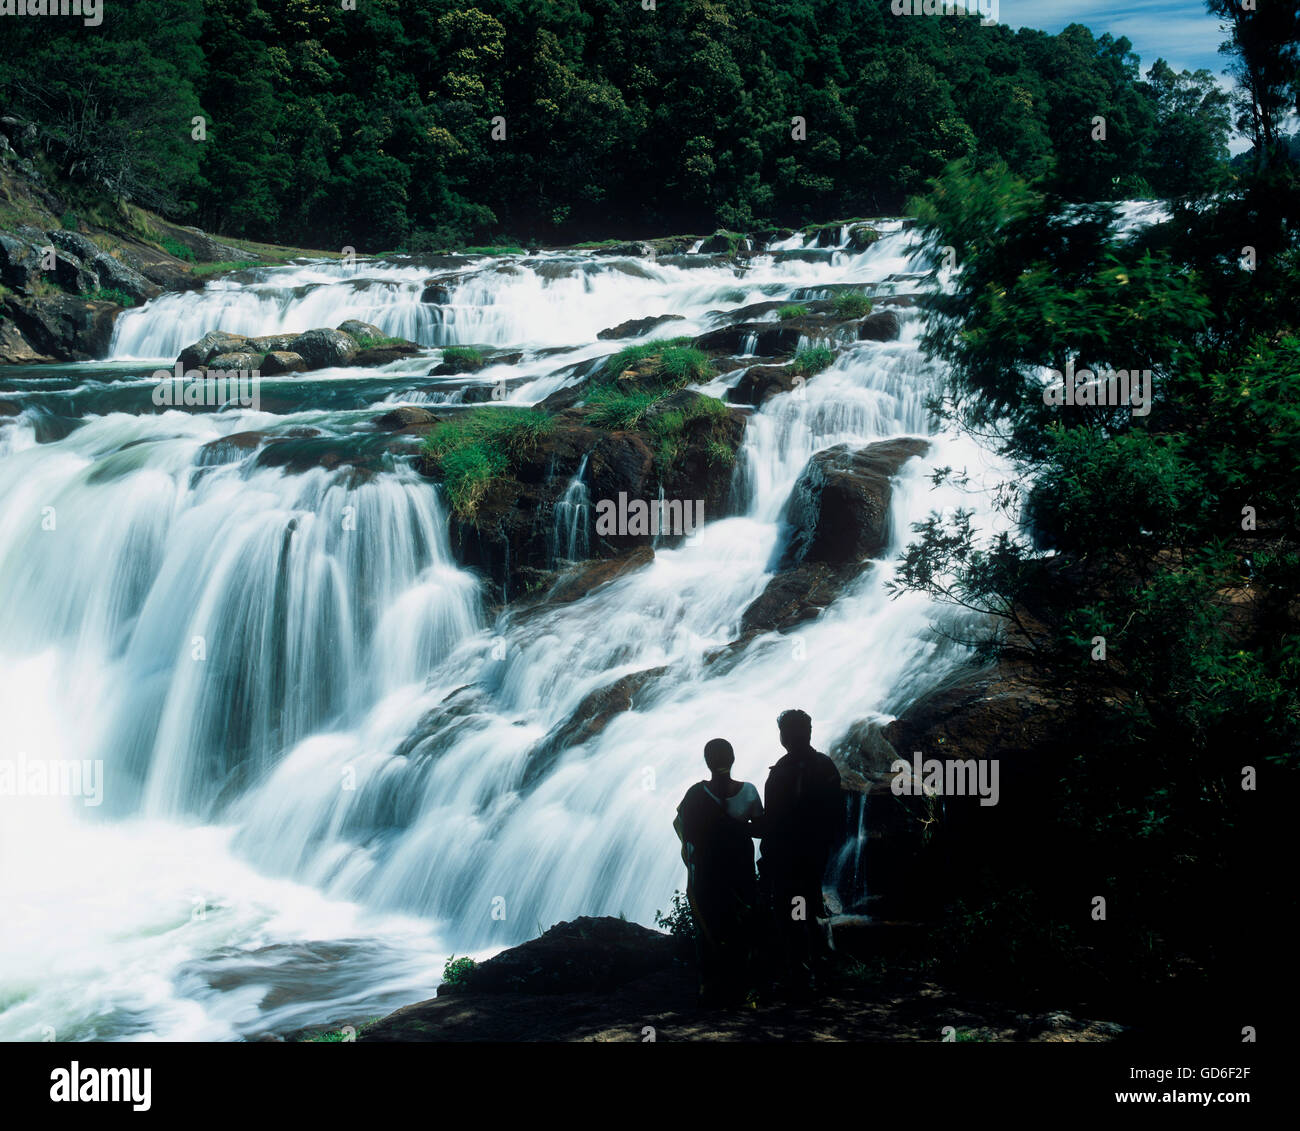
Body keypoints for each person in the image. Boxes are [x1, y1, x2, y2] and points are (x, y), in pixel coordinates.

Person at [756, 708, 843, 1000]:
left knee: (791, 915)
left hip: (787, 858)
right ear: (807, 733)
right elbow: (837, 813)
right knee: (813, 910)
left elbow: (773, 823)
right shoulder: (825, 766)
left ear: (787, 736)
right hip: (815, 855)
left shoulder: (780, 773)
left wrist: (764, 855)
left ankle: (800, 978)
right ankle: (825, 974)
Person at [674, 738, 764, 1007]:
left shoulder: (695, 794)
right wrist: (737, 829)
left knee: (710, 924)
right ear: (733, 759)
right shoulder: (749, 792)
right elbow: (760, 830)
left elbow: (682, 827)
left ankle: (711, 987)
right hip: (740, 871)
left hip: (709, 871)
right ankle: (745, 988)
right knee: (742, 923)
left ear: (707, 762)